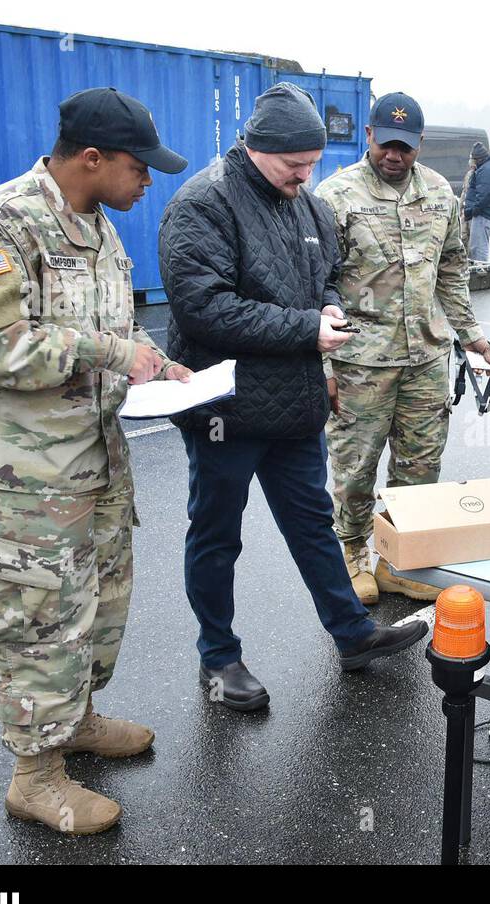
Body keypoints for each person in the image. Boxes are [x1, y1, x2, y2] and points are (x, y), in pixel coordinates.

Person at [0, 88, 190, 834]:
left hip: (92, 463)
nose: (149, 181)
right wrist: (118, 354)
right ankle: (35, 775)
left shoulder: (98, 226)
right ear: (92, 158)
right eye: (141, 168)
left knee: (94, 613)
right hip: (15, 483)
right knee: (34, 622)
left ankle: (73, 723)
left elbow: (112, 328)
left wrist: (160, 367)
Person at [159, 83, 428, 712]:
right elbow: (204, 310)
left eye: (313, 165)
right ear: (255, 147)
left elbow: (324, 277)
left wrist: (328, 306)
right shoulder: (202, 204)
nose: (306, 177)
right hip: (226, 408)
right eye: (294, 166)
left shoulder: (307, 208)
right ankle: (219, 659)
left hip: (295, 404)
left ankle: (353, 633)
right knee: (217, 534)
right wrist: (307, 329)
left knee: (312, 522)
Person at [316, 92, 490, 606]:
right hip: (360, 363)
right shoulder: (335, 196)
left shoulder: (440, 193)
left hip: (427, 360)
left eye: (406, 147)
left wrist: (471, 335)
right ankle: (351, 553)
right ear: (369, 136)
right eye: (386, 144)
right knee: (355, 468)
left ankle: (398, 557)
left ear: (419, 145)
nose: (395, 155)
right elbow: (316, 284)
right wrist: (323, 363)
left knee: (420, 466)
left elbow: (453, 270)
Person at [464, 141, 490, 261]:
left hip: (483, 215)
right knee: (478, 247)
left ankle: (480, 278)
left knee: (478, 250)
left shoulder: (486, 170)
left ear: (478, 159)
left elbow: (483, 196)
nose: (471, 162)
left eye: (472, 159)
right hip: (488, 213)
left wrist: (471, 211)